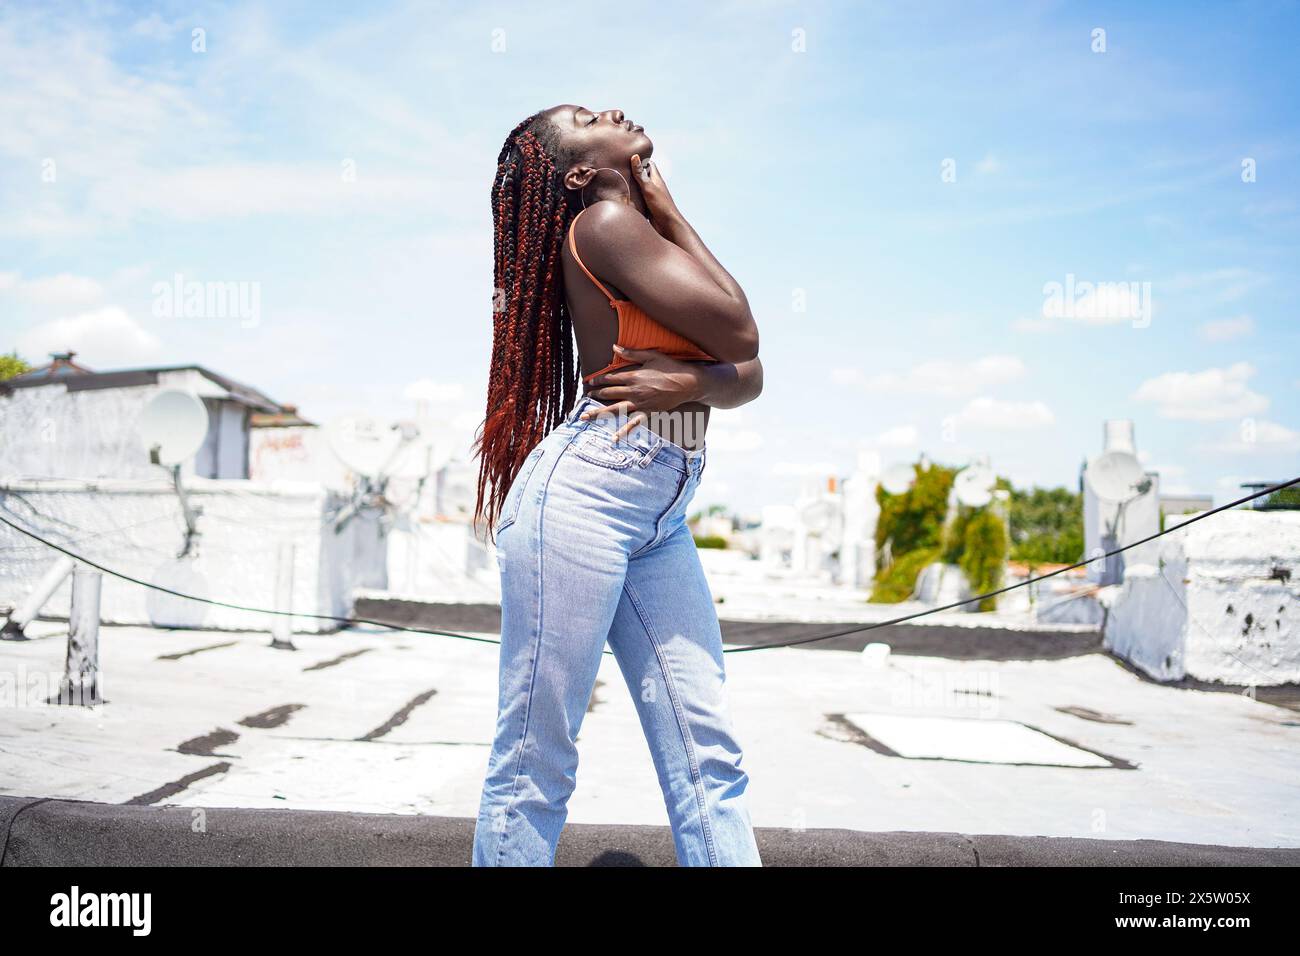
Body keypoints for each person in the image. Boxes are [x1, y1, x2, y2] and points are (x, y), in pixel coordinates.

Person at [470, 104, 764, 866]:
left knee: (710, 755)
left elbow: (749, 376)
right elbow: (740, 333)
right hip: (593, 491)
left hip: (660, 509)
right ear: (577, 172)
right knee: (537, 758)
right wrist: (667, 212)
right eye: (585, 116)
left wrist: (686, 381)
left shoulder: (640, 233)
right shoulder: (606, 224)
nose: (611, 109)